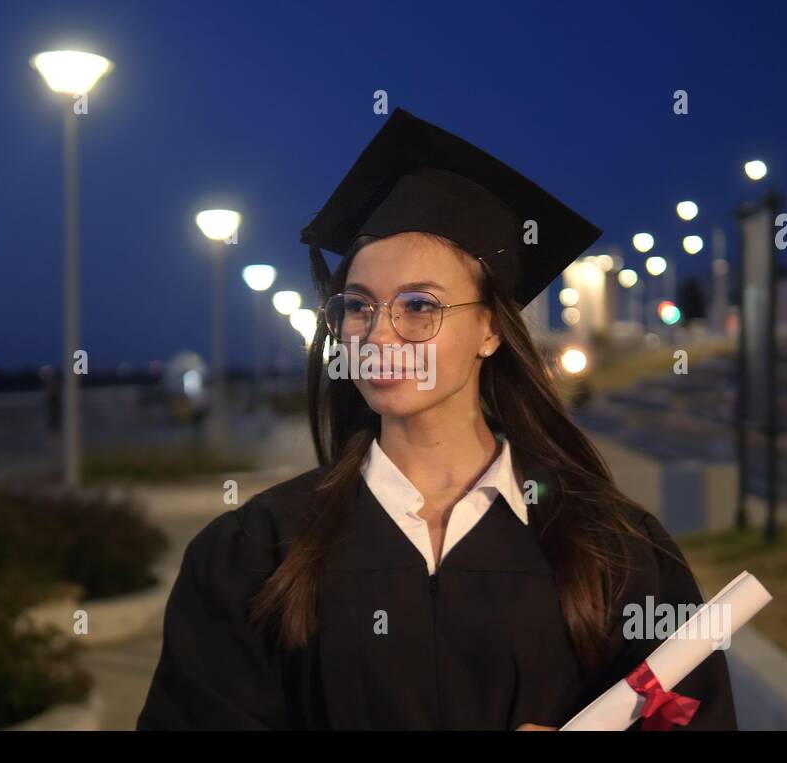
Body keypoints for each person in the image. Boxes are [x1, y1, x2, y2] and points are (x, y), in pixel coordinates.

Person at [137, 109, 736, 730]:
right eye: (358, 307)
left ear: (491, 329)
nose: (378, 335)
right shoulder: (255, 553)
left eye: (420, 306)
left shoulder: (614, 552)